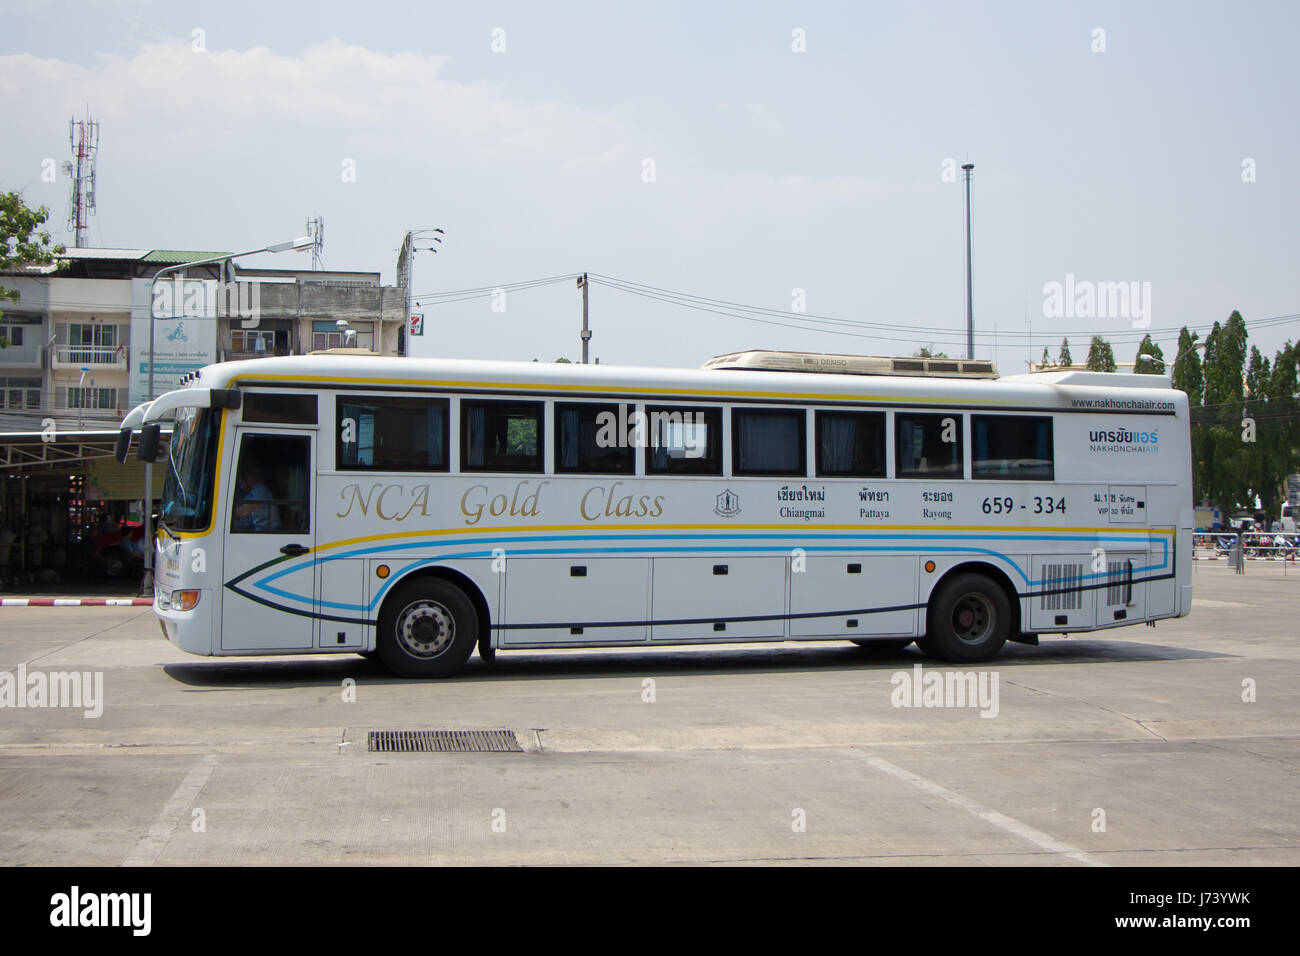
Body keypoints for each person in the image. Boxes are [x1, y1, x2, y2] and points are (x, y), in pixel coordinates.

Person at [233, 463, 280, 532]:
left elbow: (247, 510)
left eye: (241, 483)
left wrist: (230, 513)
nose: (241, 487)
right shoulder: (249, 494)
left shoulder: (261, 490)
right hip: (255, 527)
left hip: (266, 530)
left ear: (249, 479)